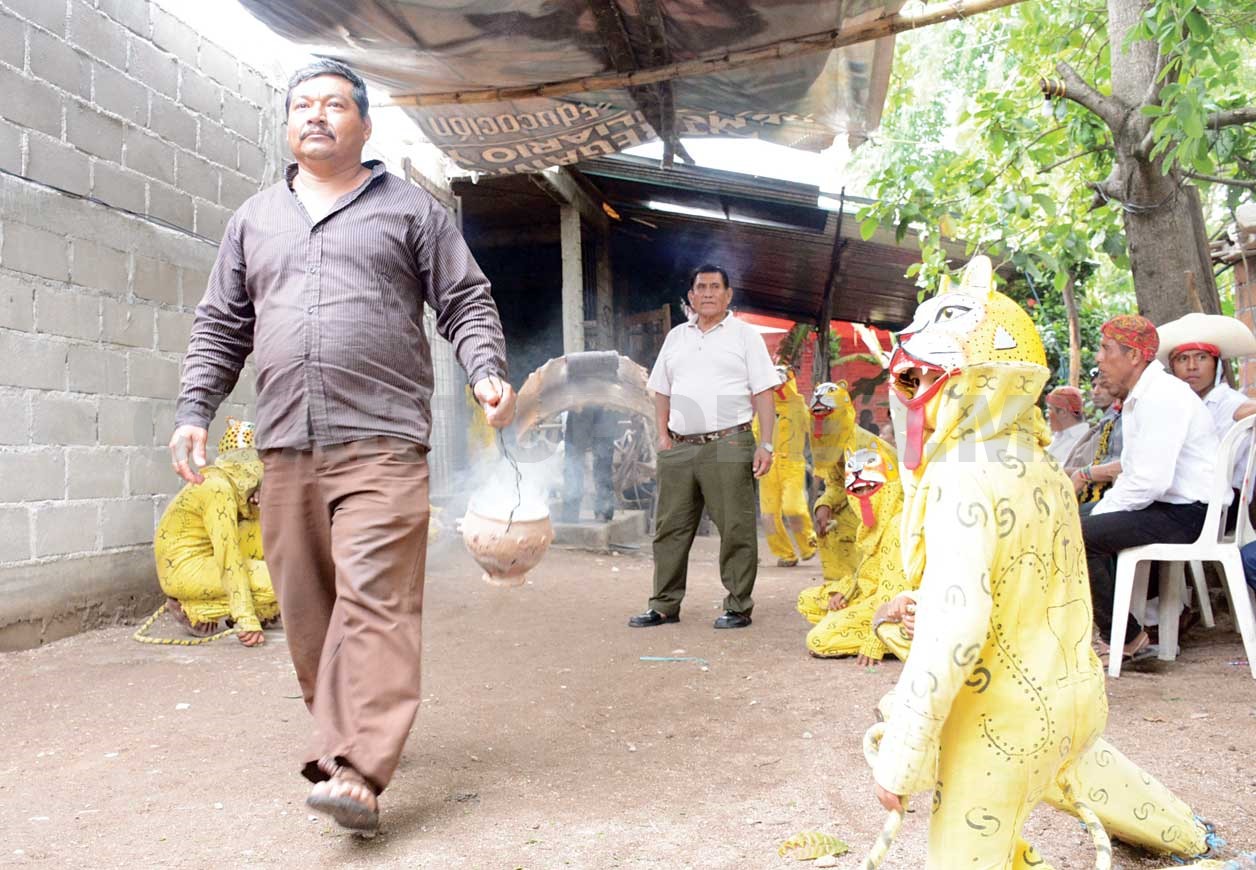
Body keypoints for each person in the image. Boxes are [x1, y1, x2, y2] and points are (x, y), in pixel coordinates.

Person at [169, 59, 514, 834]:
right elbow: (221, 324)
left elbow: (464, 299)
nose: (316, 115)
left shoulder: (412, 212)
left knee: (376, 601)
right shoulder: (254, 219)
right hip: (287, 444)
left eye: (334, 104)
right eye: (302, 105)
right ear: (288, 125)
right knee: (307, 613)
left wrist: (486, 367)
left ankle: (355, 767)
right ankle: (350, 725)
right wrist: (196, 405)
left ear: (364, 124)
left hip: (383, 439)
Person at [866, 257, 1219, 866]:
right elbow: (1024, 580)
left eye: (915, 382)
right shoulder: (1043, 467)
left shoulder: (960, 476)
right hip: (1070, 697)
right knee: (1083, 766)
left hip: (998, 725)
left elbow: (959, 626)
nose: (910, 399)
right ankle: (1193, 834)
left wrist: (902, 757)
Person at [628, 264, 776, 630]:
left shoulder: (745, 336)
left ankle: (738, 605)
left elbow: (764, 392)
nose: (707, 293)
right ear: (691, 297)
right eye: (700, 288)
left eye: (715, 287)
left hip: (729, 441)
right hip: (679, 446)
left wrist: (766, 444)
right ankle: (663, 604)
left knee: (736, 527)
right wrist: (662, 436)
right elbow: (661, 389)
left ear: (728, 295)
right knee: (670, 528)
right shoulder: (677, 336)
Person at [1081, 315, 1219, 664]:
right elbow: (1134, 473)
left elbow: (1149, 481)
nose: (1098, 358)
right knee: (1068, 521)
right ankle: (1110, 631)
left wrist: (1101, 513)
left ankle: (1126, 638)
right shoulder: (1141, 396)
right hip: (1167, 505)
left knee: (1081, 531)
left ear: (1134, 357)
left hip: (1190, 512)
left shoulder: (1162, 396)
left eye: (1106, 349)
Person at [155, 419, 277, 647]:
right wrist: (246, 618)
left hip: (210, 558)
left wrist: (260, 507)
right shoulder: (217, 488)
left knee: (285, 550)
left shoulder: (233, 486)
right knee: (282, 582)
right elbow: (228, 557)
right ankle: (194, 609)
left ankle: (263, 606)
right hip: (186, 567)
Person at [796, 442, 909, 664]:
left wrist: (875, 639)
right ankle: (848, 620)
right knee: (808, 600)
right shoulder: (871, 525)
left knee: (819, 640)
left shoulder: (897, 525)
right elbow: (866, 572)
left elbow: (894, 591)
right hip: (869, 594)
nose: (864, 496)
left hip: (894, 604)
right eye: (857, 490)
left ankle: (896, 638)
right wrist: (845, 593)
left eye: (870, 487)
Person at [1158, 312, 1256, 524]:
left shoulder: (1230, 403)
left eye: (1201, 357)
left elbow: (1212, 467)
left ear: (1217, 364)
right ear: (1172, 368)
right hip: (1189, 499)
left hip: (1221, 505)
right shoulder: (1180, 406)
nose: (1192, 366)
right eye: (1183, 359)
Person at [807, 381, 889, 584]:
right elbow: (836, 484)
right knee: (829, 525)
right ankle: (842, 583)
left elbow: (876, 492)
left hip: (884, 505)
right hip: (856, 499)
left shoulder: (862, 444)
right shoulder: (832, 443)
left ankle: (864, 585)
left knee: (848, 525)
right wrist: (824, 504)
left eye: (829, 416)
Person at [755, 365, 816, 567]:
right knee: (768, 516)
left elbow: (815, 432)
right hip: (768, 466)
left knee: (793, 508)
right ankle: (786, 554)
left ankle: (808, 545)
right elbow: (755, 435)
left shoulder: (799, 407)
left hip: (792, 464)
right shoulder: (764, 408)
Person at [1066, 371, 1123, 511]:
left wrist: (1061, 472)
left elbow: (1115, 467)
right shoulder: (1103, 423)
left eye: (1103, 386)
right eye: (1094, 386)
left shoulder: (1122, 420)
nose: (1096, 392)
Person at [561, 406, 618, 523]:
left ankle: (603, 510)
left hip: (604, 407)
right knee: (573, 461)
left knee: (603, 462)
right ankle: (571, 511)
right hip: (578, 406)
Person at [1044, 385, 1088, 463]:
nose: (1047, 414)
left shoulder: (1083, 440)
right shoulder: (1057, 436)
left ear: (1063, 412)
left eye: (1050, 408)